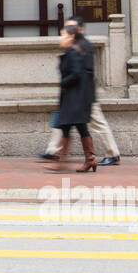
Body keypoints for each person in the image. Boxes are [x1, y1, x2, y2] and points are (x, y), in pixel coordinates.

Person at [39, 16, 121, 166]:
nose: (67, 31)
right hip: (74, 95)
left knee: (95, 124)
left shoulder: (83, 46)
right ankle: (53, 151)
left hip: (84, 96)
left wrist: (67, 84)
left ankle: (112, 153)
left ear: (79, 29)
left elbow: (84, 73)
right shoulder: (74, 46)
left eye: (71, 28)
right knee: (64, 123)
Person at [47, 19, 97, 173]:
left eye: (63, 34)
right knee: (75, 127)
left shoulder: (73, 51)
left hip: (75, 97)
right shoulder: (76, 49)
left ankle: (63, 160)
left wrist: (64, 83)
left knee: (70, 127)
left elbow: (76, 73)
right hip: (77, 96)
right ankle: (90, 159)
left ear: (70, 36)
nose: (60, 37)